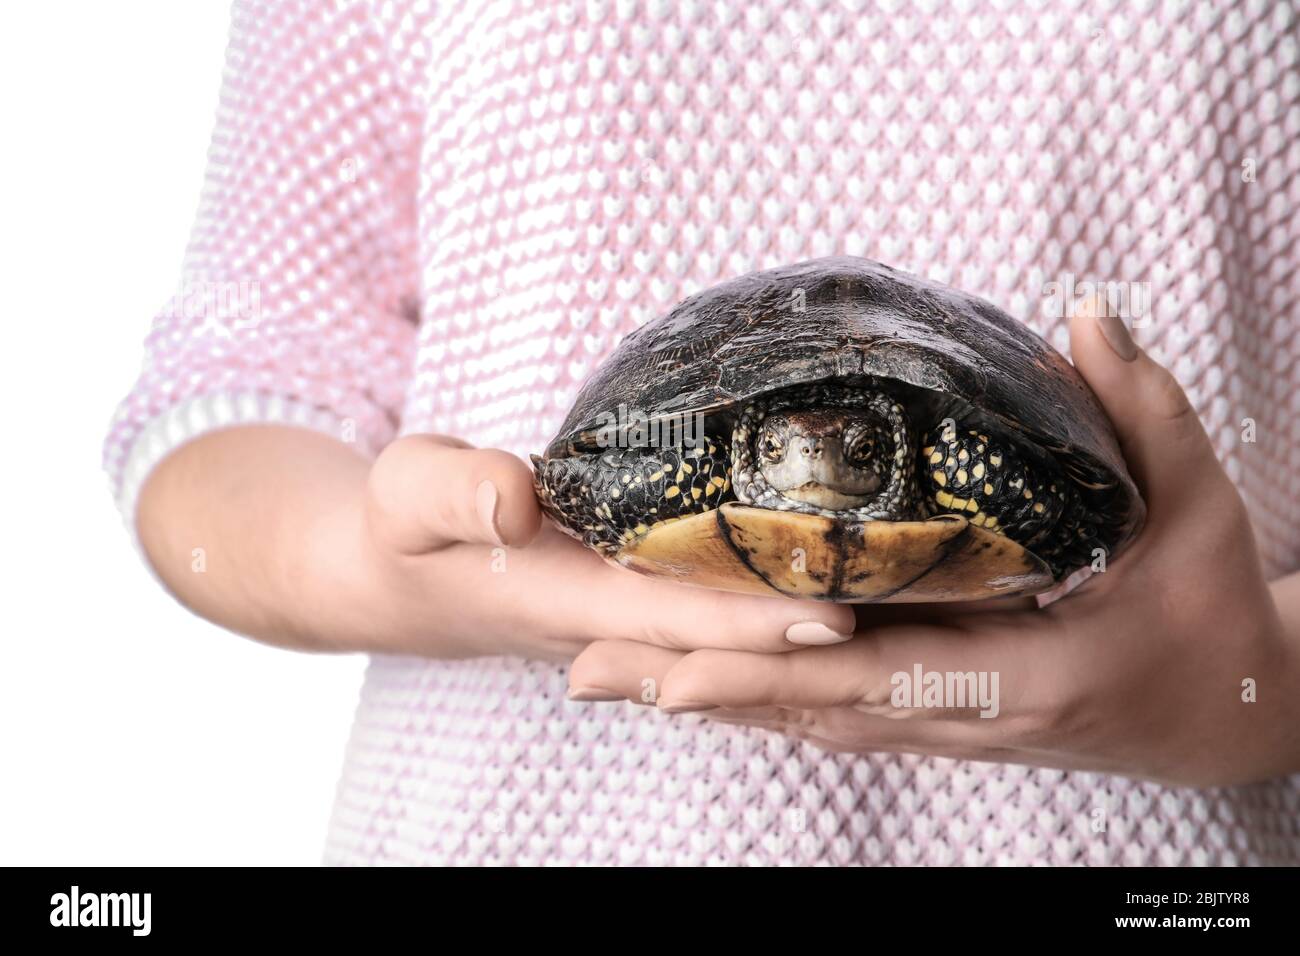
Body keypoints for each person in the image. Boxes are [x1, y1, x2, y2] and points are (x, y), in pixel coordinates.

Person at [106, 0, 1300, 865]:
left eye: (853, 444)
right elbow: (230, 387)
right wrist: (414, 569)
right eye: (797, 444)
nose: (823, 459)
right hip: (495, 826)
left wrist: (1257, 682)